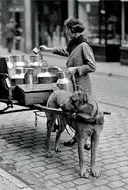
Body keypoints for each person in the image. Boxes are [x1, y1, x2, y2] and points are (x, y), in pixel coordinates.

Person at [40, 17, 96, 150]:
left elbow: (92, 66)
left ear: (73, 30)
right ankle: (77, 137)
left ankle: (86, 140)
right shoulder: (74, 44)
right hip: (73, 84)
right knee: (73, 111)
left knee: (84, 112)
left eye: (67, 29)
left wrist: (76, 69)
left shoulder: (84, 45)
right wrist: (48, 49)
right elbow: (66, 51)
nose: (65, 32)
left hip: (82, 85)